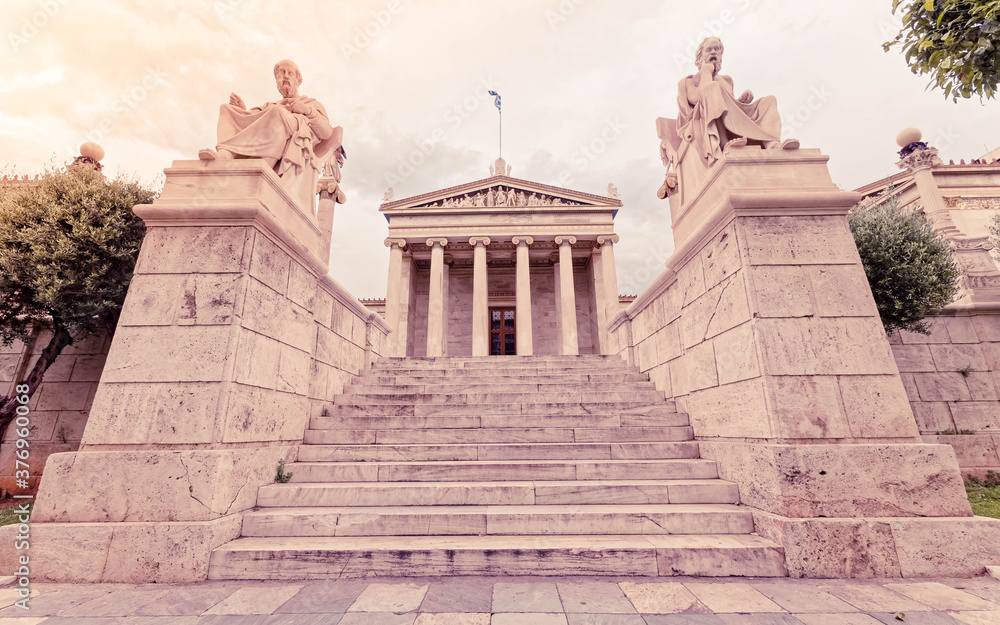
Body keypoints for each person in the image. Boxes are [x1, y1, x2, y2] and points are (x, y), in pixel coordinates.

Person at [199, 60, 342, 210]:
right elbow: (253, 121)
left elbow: (326, 132)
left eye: (290, 73)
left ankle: (263, 169)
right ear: (277, 81)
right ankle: (224, 155)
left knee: (276, 113)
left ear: (298, 80)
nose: (286, 76)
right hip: (273, 120)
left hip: (294, 135)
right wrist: (243, 111)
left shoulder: (311, 103)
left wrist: (307, 110)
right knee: (226, 109)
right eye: (282, 73)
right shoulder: (271, 105)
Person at [670, 37, 797, 168]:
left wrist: (741, 100)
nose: (714, 52)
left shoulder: (727, 80)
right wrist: (706, 71)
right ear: (699, 57)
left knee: (769, 100)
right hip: (706, 122)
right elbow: (698, 98)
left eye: (717, 50)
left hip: (729, 121)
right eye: (709, 49)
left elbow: (728, 106)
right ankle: (725, 145)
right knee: (712, 88)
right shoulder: (688, 82)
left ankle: (772, 143)